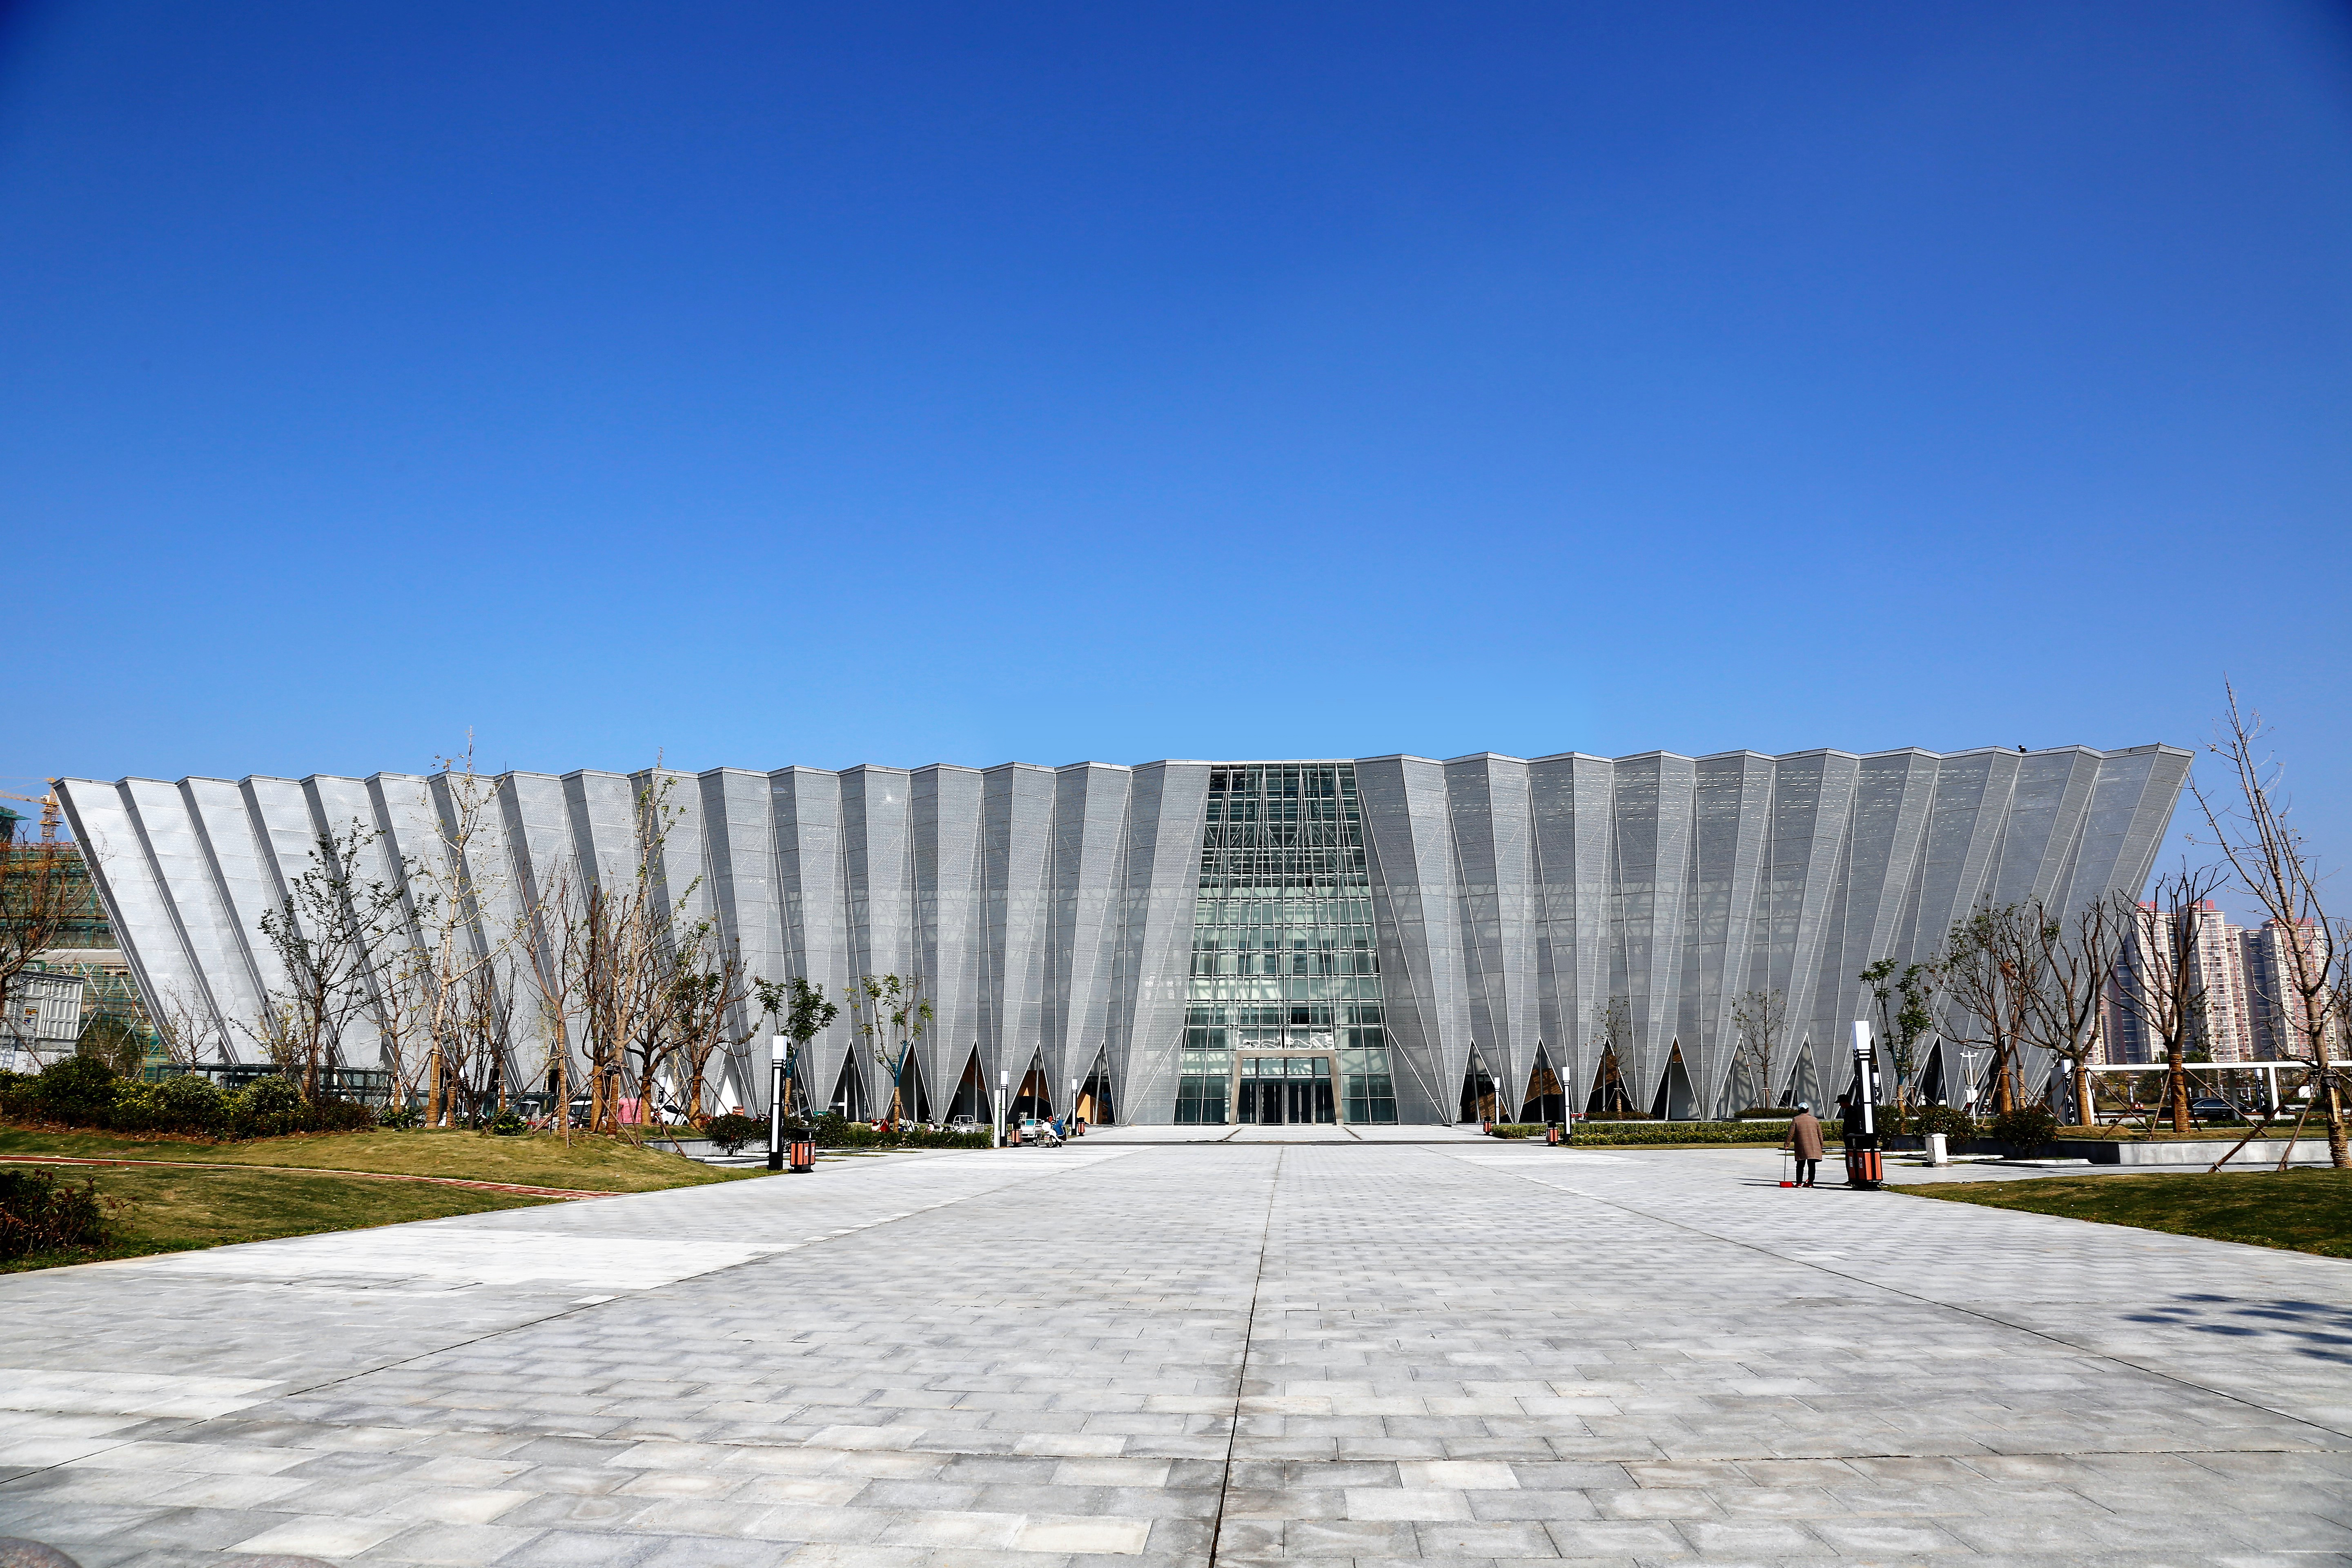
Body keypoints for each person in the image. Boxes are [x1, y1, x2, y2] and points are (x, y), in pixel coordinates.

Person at [1783, 1101, 1824, 1187]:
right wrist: (1821, 1145)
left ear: (1799, 1111)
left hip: (1802, 1145)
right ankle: (1811, 1183)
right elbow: (1820, 1134)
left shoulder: (1796, 1119)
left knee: (1800, 1164)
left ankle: (1799, 1183)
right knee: (1812, 1165)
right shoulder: (1814, 1120)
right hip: (1814, 1145)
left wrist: (1787, 1144)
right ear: (1808, 1110)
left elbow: (1791, 1133)